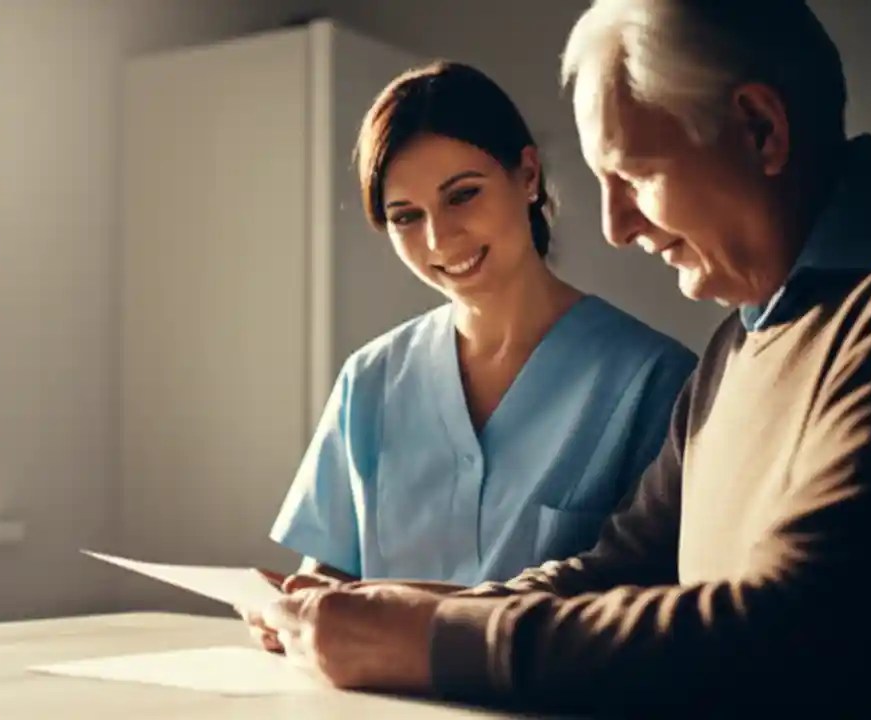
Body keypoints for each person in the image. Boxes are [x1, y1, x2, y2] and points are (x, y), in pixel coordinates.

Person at [256, 0, 871, 712]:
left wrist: (430, 640)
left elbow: (792, 630)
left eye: (636, 175)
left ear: (760, 130)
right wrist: (402, 613)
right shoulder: (738, 345)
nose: (616, 227)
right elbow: (615, 568)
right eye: (406, 215)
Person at [245, 62, 695, 649]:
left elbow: (650, 610)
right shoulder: (370, 379)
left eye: (462, 195)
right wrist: (288, 613)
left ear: (527, 175)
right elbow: (329, 579)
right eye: (407, 217)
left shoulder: (654, 380)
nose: (439, 238)